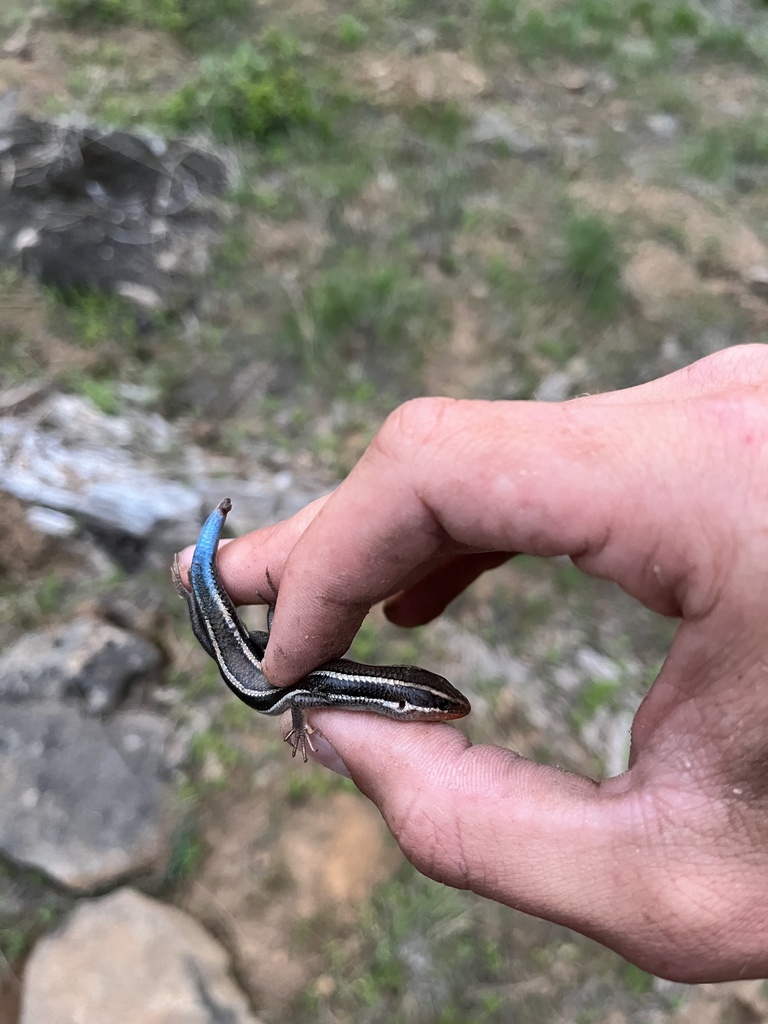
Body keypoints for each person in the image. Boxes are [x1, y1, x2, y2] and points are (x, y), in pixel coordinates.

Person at [177, 343, 768, 983]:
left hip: (260, 665)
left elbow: (303, 687)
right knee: (215, 603)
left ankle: (212, 543)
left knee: (243, 619)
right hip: (252, 667)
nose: (443, 712)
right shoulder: (343, 691)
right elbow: (296, 695)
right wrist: (297, 722)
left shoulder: (346, 687)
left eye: (438, 704)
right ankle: (209, 542)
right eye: (434, 707)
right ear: (400, 702)